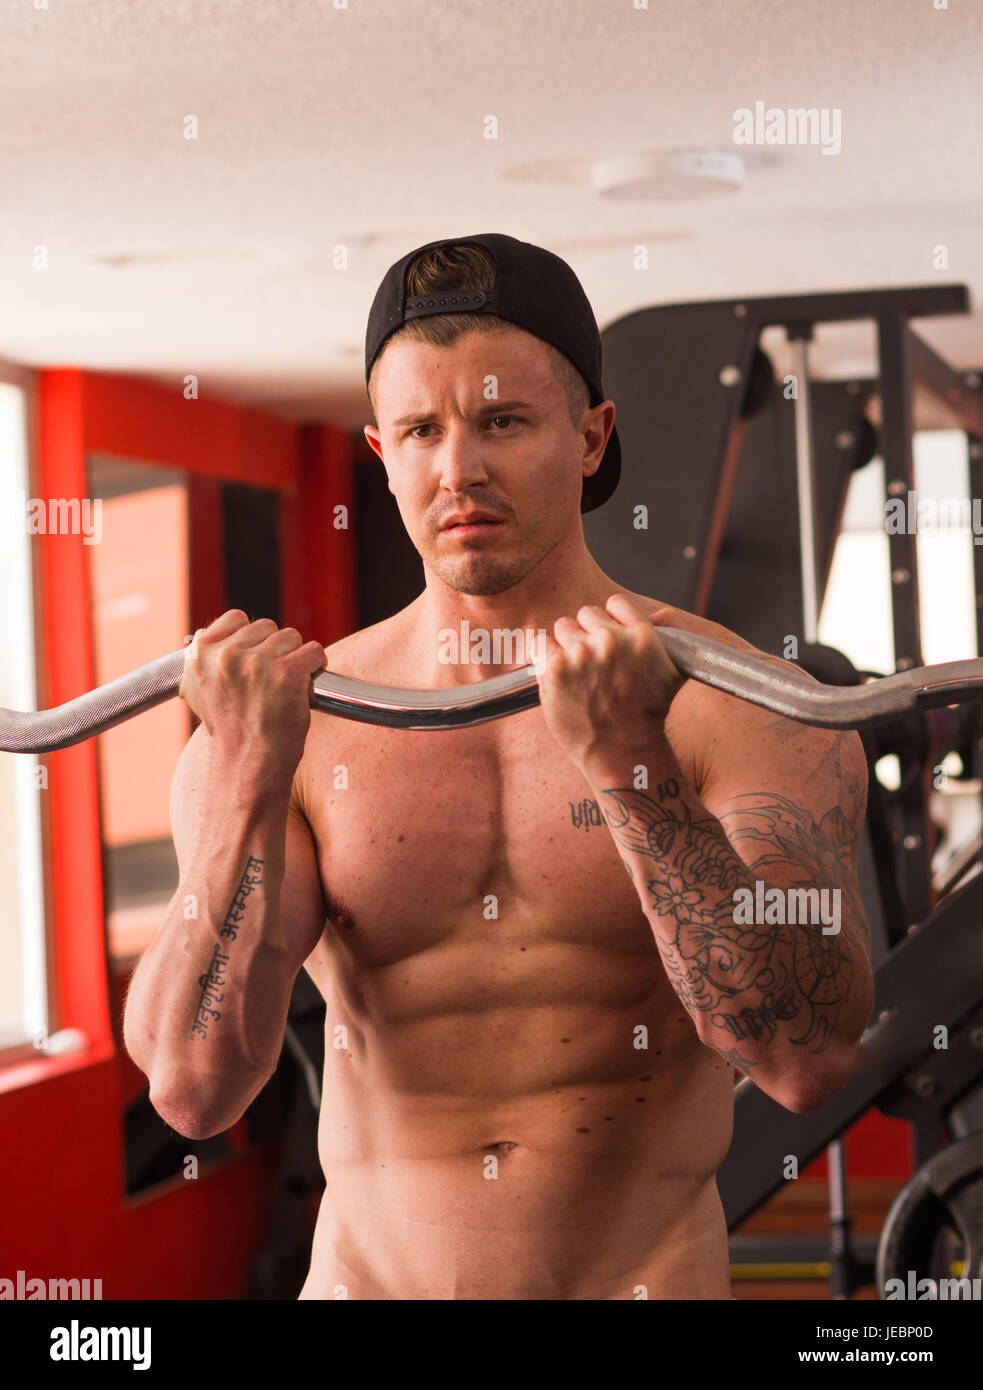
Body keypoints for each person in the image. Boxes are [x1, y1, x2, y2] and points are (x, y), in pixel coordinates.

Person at [124, 233, 875, 1300]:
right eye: (422, 430)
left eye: (502, 421)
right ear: (380, 454)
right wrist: (244, 776)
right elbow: (194, 1093)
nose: (458, 469)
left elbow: (805, 1056)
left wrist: (628, 764)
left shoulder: (735, 705)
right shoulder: (298, 728)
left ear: (589, 435)